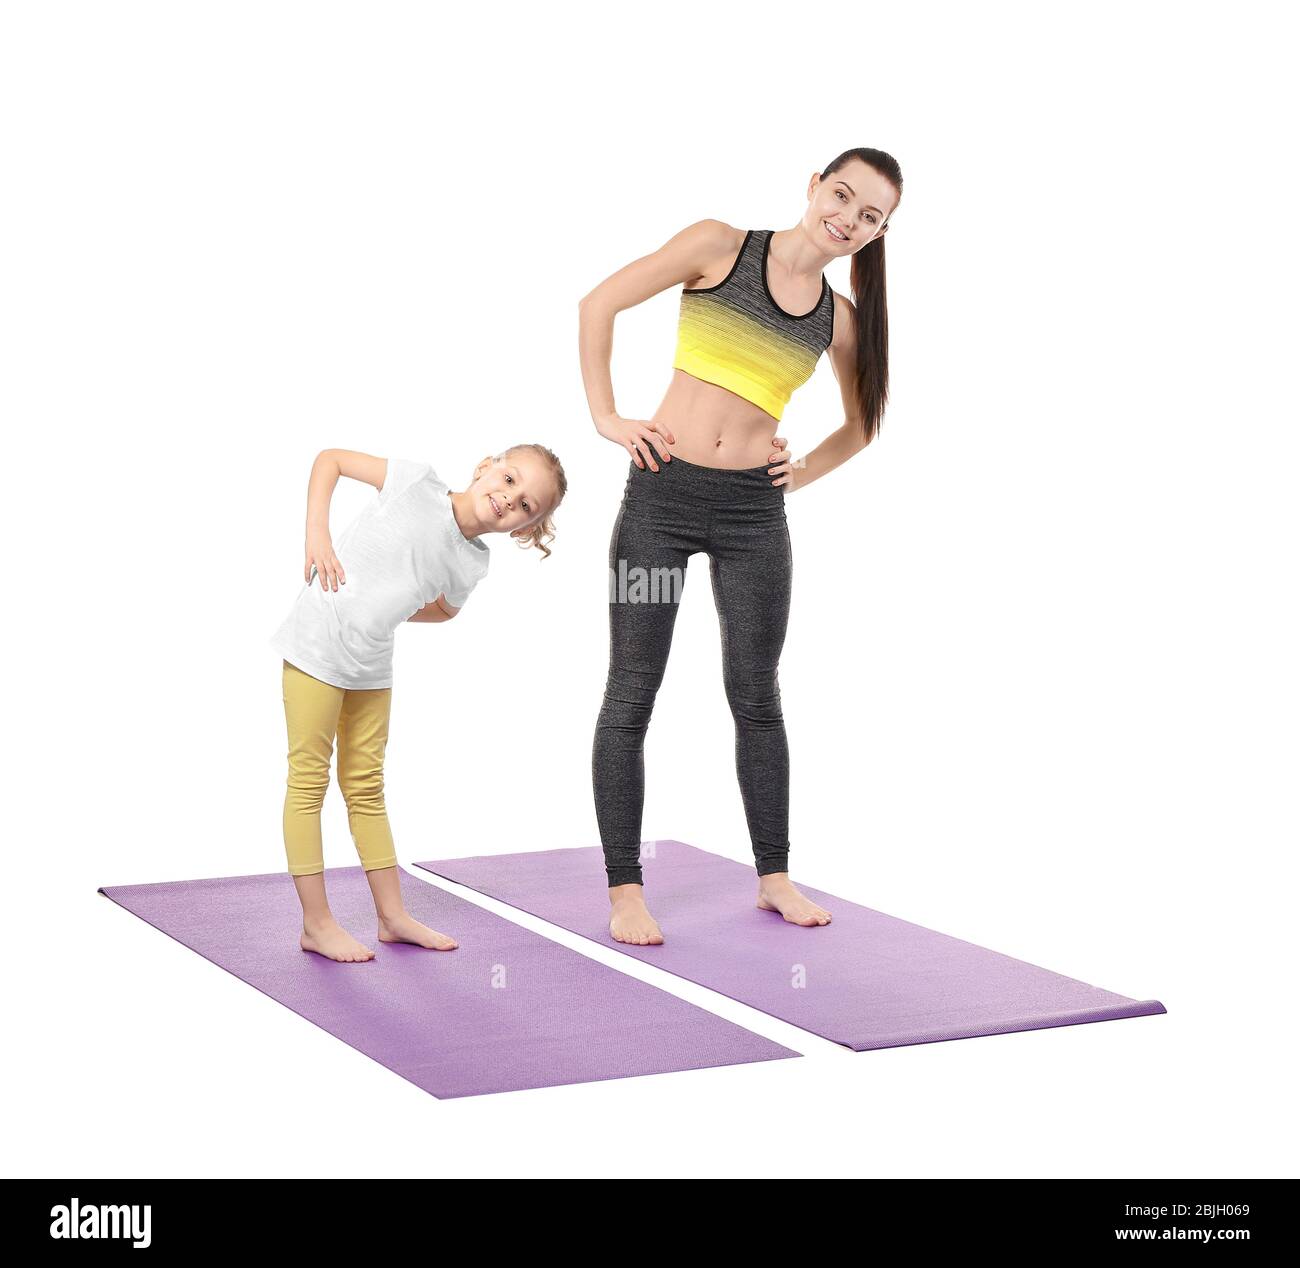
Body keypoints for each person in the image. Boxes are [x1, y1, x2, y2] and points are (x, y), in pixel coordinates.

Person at [579, 147, 903, 945]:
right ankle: (625, 888)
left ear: (878, 233)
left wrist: (799, 474)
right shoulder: (719, 246)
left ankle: (775, 877)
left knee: (756, 693)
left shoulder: (840, 319)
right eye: (843, 196)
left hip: (752, 519)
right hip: (660, 501)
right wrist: (607, 416)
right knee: (631, 691)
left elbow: (864, 424)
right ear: (813, 186)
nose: (849, 220)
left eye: (871, 217)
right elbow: (597, 304)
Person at [269, 445, 566, 962]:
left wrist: (385, 612)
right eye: (510, 479)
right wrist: (317, 532)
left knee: (365, 786)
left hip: (371, 663)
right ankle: (316, 924)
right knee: (309, 780)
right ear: (485, 467)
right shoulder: (416, 482)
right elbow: (330, 460)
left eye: (526, 506)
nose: (510, 498)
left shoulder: (473, 561)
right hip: (317, 642)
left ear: (525, 528)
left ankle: (392, 917)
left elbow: (445, 610)